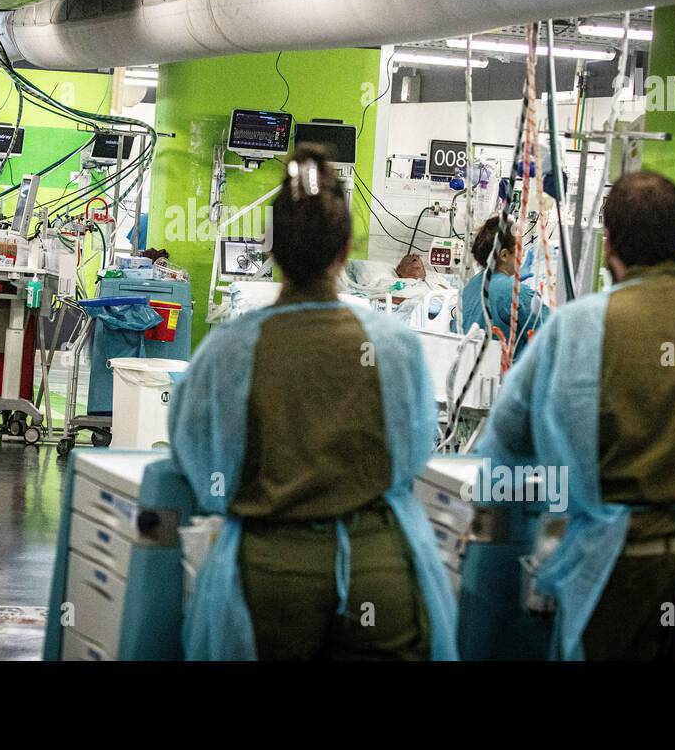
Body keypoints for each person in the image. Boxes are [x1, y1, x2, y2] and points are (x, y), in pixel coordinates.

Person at [474, 171, 675, 660]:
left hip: (616, 569)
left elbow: (508, 444)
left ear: (608, 244)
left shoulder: (577, 327)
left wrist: (545, 516)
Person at [168, 145, 458, 660]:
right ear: (346, 248)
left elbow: (200, 458)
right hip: (379, 572)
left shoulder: (228, 351)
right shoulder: (392, 346)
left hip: (270, 579)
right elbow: (414, 452)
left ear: (271, 249)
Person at [458, 215, 547, 360]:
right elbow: (551, 331)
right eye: (519, 248)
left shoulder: (471, 285)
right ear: (504, 255)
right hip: (503, 375)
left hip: (470, 370)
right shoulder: (515, 293)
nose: (522, 253)